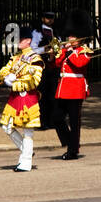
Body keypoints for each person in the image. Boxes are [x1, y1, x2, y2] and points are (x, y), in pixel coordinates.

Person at [0, 25, 43, 172]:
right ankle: (27, 151)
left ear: (28, 41)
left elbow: (34, 81)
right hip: (14, 99)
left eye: (21, 39)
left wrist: (14, 83)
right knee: (6, 126)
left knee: (28, 132)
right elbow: (4, 69)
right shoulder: (17, 57)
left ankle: (26, 162)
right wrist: (6, 77)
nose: (17, 41)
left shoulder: (35, 59)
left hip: (27, 99)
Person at [52, 8, 93, 160]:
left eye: (73, 36)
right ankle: (71, 144)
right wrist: (58, 52)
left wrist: (69, 52)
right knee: (57, 117)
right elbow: (57, 63)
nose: (70, 38)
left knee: (75, 121)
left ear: (81, 37)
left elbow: (79, 63)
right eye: (69, 35)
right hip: (63, 88)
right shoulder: (67, 49)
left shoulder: (85, 50)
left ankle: (72, 150)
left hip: (76, 88)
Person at [31, 11, 60, 144]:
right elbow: (33, 49)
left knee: (53, 94)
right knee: (41, 94)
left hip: (53, 67)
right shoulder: (37, 32)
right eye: (47, 17)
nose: (49, 20)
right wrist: (46, 49)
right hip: (42, 66)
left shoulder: (56, 33)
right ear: (43, 18)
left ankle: (52, 120)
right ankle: (41, 121)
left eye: (51, 18)